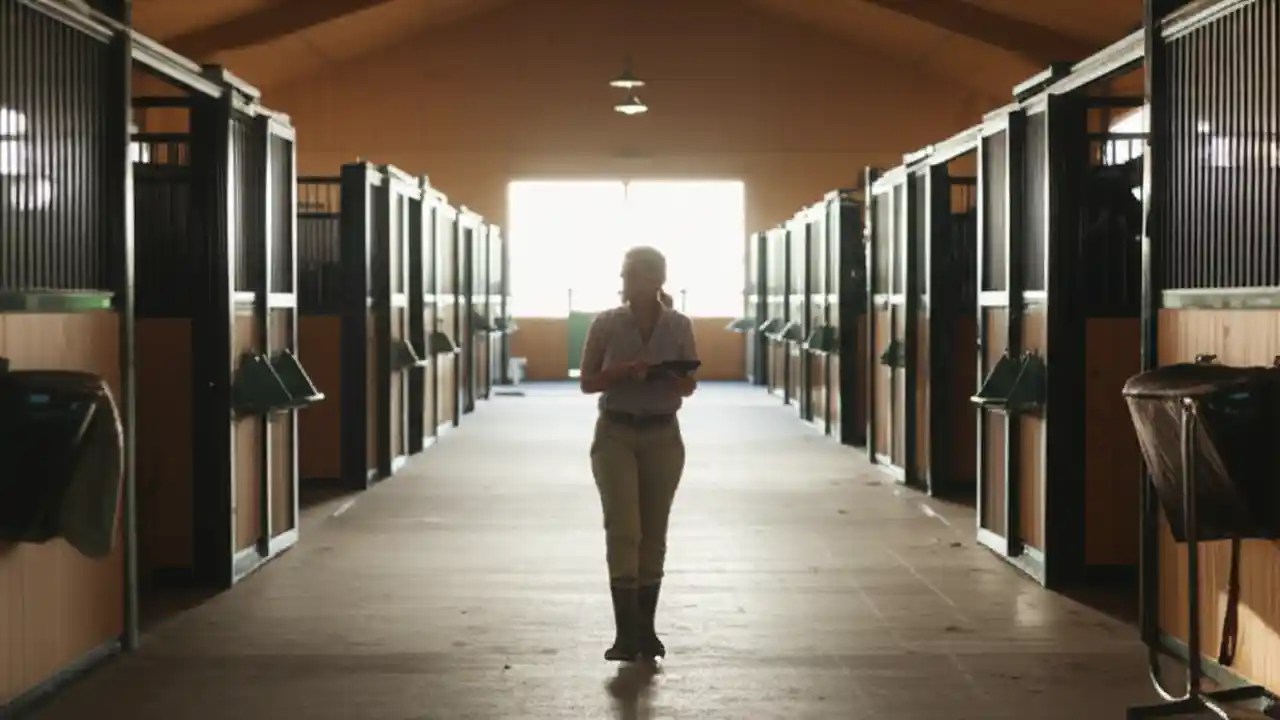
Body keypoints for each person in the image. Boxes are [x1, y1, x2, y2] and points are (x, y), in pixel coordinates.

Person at [580, 246, 698, 662]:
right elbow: (587, 382)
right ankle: (624, 632)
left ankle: (646, 630)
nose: (625, 280)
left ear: (654, 280)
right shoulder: (606, 324)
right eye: (625, 272)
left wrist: (667, 374)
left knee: (654, 530)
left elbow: (689, 386)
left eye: (633, 273)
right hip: (616, 431)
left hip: (662, 433)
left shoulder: (679, 325)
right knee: (623, 527)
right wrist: (620, 373)